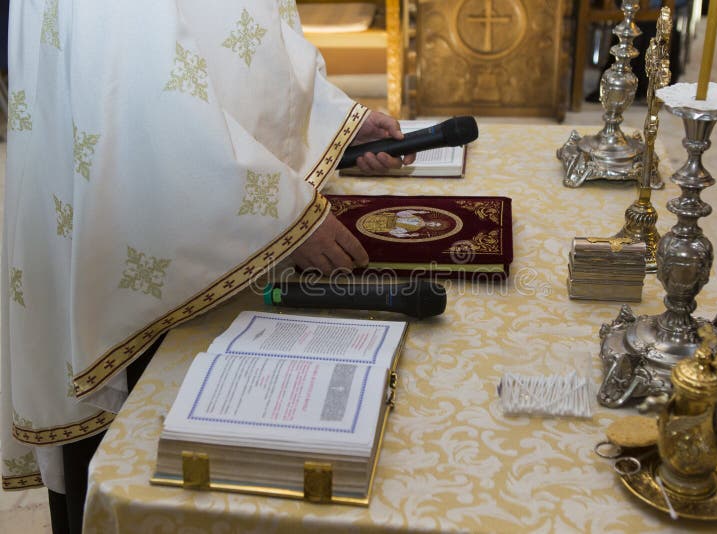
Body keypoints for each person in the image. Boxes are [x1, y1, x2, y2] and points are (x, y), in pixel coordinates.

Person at [0, 1, 414, 532]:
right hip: (153, 256)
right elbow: (143, 98)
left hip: (217, 242)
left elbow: (242, 34)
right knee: (158, 471)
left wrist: (334, 120)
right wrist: (284, 215)